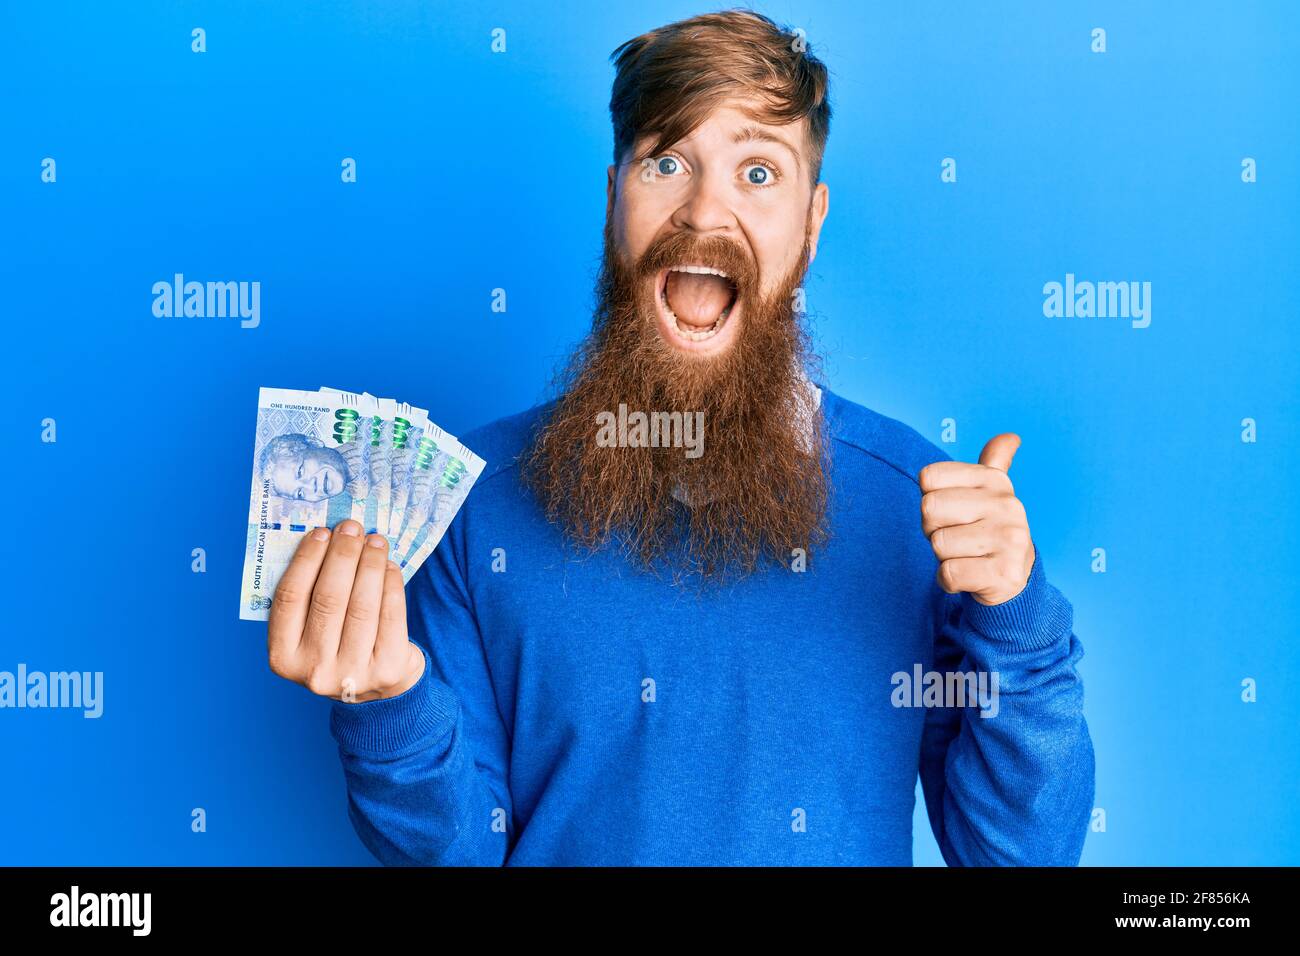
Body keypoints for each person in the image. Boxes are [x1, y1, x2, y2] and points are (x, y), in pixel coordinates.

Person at [267, 9, 1094, 865]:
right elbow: (461, 854)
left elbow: (1020, 856)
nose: (705, 212)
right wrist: (387, 702)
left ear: (811, 226)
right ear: (613, 196)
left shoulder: (921, 506)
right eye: (667, 162)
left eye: (758, 172)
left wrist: (1018, 618)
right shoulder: (473, 508)